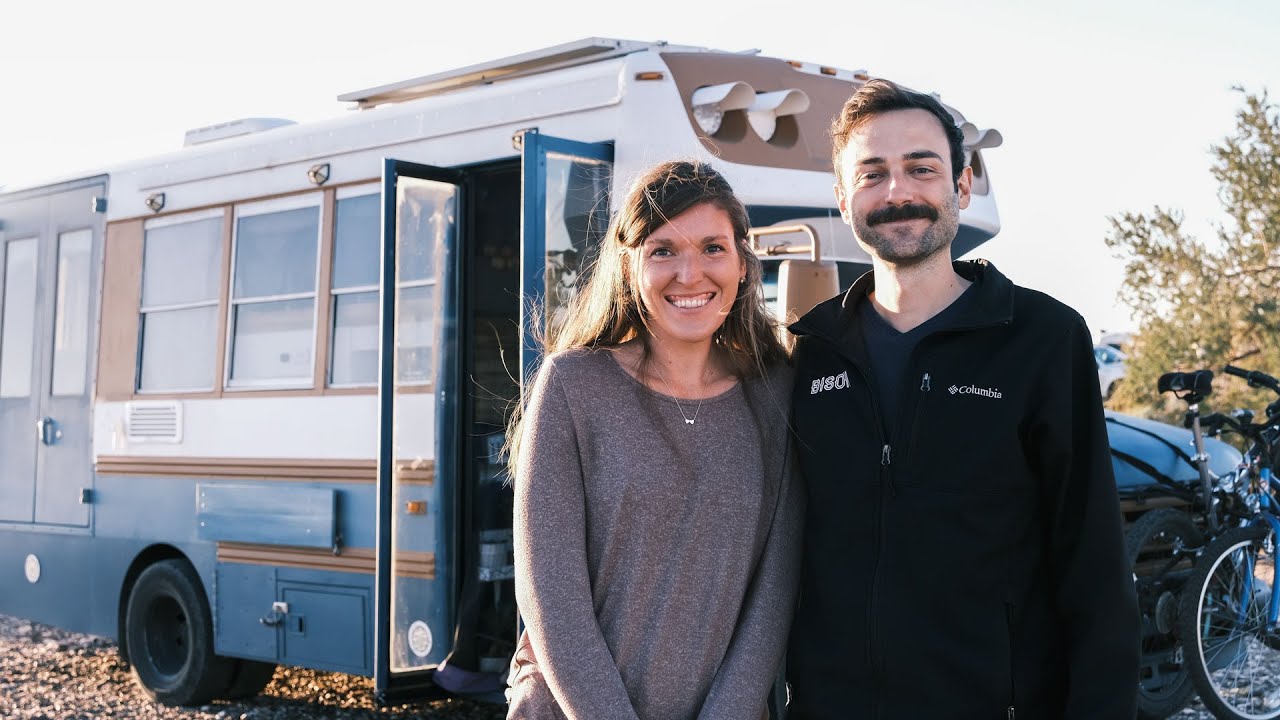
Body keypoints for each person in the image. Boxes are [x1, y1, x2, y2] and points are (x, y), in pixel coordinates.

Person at [786, 79, 1140, 718]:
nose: (899, 193)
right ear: (843, 199)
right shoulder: (810, 353)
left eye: (921, 168)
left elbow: (1093, 563)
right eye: (873, 175)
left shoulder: (1042, 339)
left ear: (963, 184)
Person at [506, 160, 802, 719]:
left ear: (742, 264)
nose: (689, 273)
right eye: (663, 250)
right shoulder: (573, 386)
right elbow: (552, 601)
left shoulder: (775, 395)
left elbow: (774, 593)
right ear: (630, 267)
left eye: (713, 247)